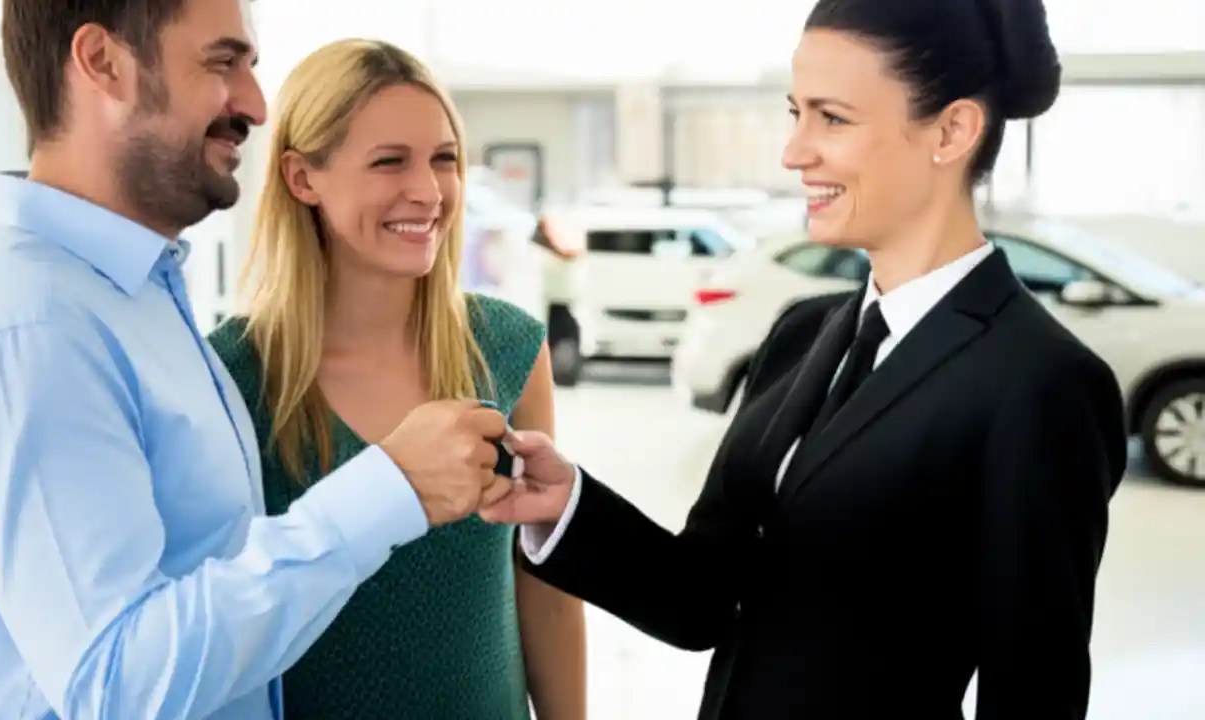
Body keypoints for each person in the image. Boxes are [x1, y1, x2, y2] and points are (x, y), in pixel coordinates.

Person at [482, 0, 1128, 718]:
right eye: (796, 113)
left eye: (833, 118)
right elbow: (700, 599)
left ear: (952, 129)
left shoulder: (1039, 382)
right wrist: (566, 502)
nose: (793, 152)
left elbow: (1035, 692)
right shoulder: (802, 334)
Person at [0, 2, 512, 719]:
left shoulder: (135, 301)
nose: (257, 105)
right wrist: (390, 489)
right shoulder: (33, 327)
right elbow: (116, 682)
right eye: (222, 63)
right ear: (102, 62)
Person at [206, 38, 586, 719]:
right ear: (302, 178)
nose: (428, 191)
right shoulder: (232, 375)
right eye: (389, 162)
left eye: (445, 159)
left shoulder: (506, 348)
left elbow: (545, 591)